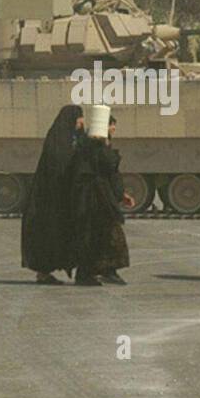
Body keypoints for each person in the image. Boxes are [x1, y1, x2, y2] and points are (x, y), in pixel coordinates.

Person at [21, 105, 83, 284]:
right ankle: (43, 272)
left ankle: (48, 271)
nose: (81, 122)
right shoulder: (58, 139)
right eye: (79, 118)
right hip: (50, 198)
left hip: (60, 197)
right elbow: (59, 164)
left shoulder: (67, 137)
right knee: (49, 234)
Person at [70, 112, 133, 286]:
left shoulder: (99, 146)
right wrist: (100, 144)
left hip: (103, 197)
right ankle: (87, 273)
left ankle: (108, 269)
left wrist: (121, 194)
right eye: (111, 125)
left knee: (107, 234)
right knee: (93, 235)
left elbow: (112, 174)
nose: (113, 128)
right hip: (93, 199)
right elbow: (106, 164)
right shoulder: (92, 147)